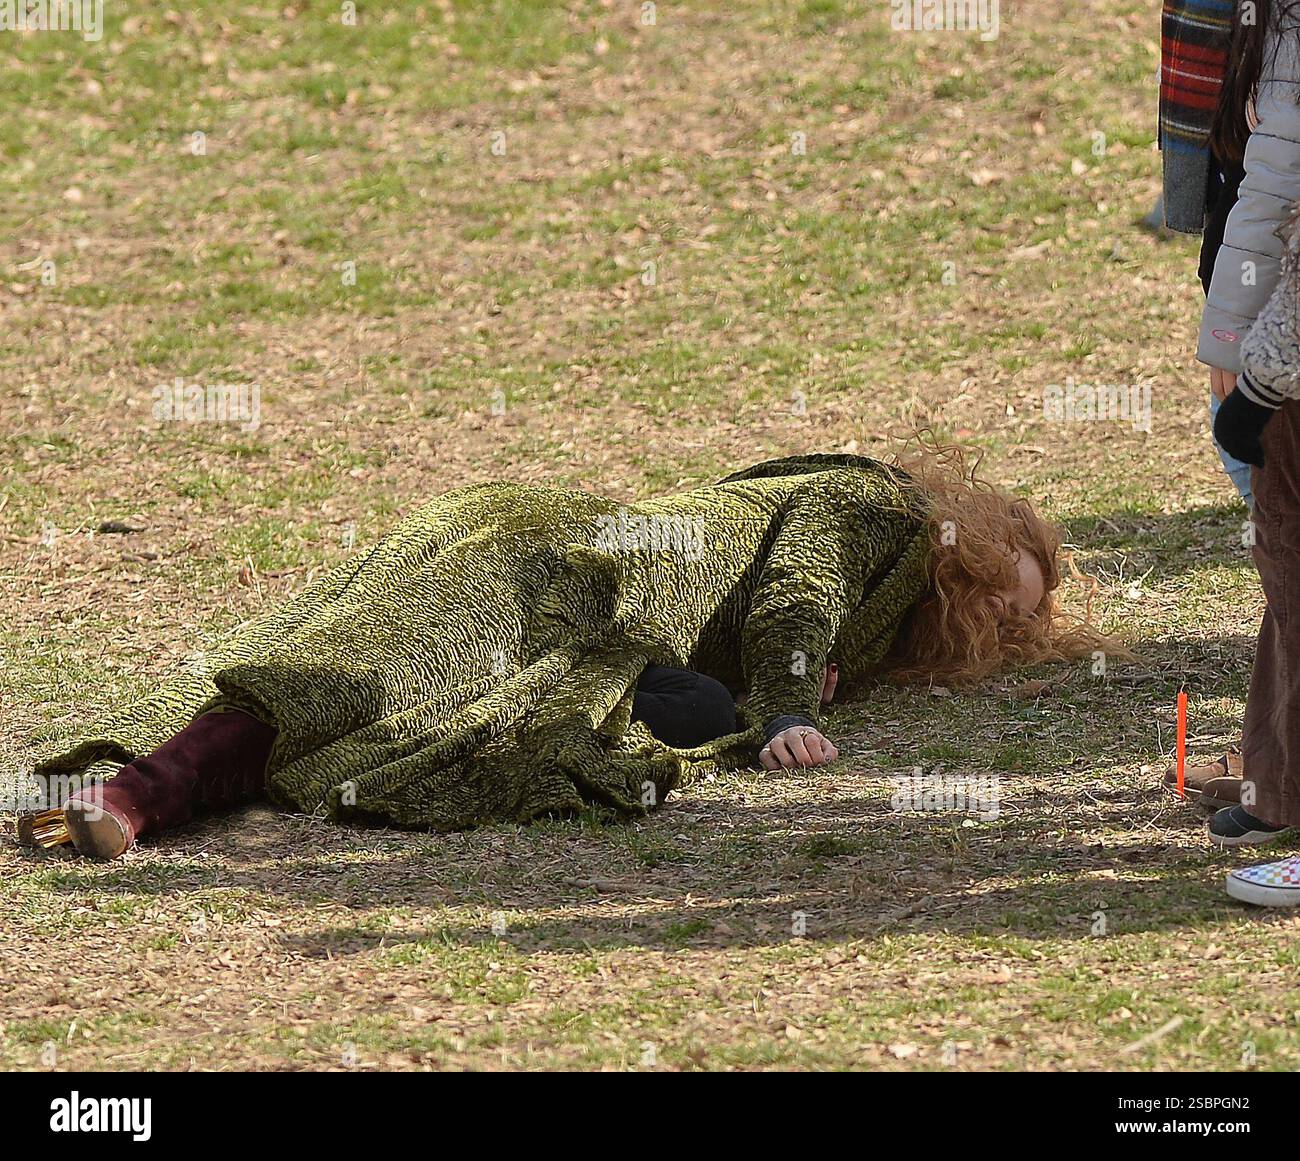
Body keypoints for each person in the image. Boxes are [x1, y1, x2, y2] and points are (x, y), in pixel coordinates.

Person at [21, 447, 1099, 861]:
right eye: (1007, 592)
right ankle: (134, 793)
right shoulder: (874, 507)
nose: (999, 618)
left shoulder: (882, 627)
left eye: (1015, 624)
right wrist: (780, 711)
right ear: (979, 534)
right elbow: (795, 594)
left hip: (624, 630)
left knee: (452, 715)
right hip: (577, 563)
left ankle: (146, 802)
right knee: (384, 662)